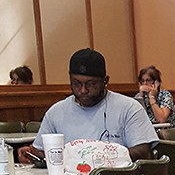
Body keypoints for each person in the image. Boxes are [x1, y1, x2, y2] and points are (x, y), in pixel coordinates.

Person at [18, 48, 157, 164]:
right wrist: (32, 155)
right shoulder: (56, 112)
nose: (83, 90)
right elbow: (41, 151)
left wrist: (94, 159)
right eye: (76, 83)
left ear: (105, 81)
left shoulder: (129, 108)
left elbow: (143, 151)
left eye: (91, 84)